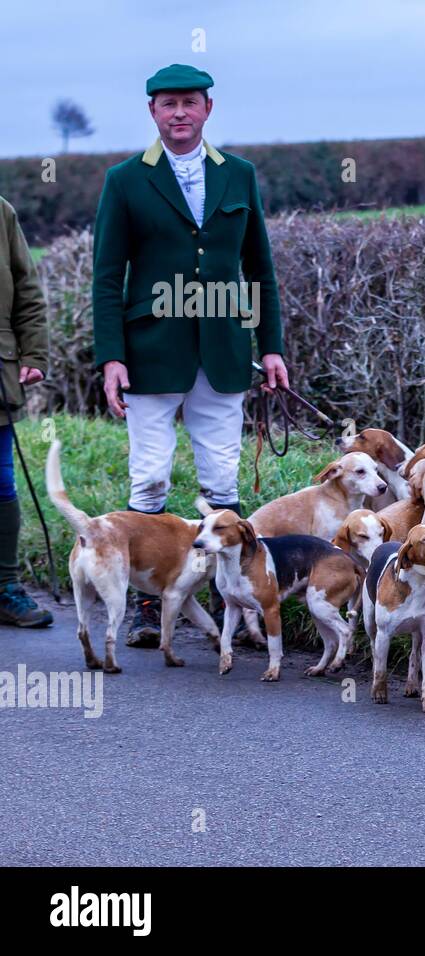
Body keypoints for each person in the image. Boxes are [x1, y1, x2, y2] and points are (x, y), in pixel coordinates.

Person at [91, 64, 289, 647]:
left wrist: (271, 346)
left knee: (220, 479)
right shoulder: (125, 180)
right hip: (150, 349)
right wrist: (111, 357)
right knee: (149, 478)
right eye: (167, 104)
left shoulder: (240, 175)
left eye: (190, 103)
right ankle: (150, 605)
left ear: (208, 109)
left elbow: (262, 270)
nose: (179, 113)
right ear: (153, 112)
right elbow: (107, 277)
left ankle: (235, 602)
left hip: (223, 349)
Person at [0, 196, 53, 628]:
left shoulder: (1, 212)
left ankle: (4, 588)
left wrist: (32, 351)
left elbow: (27, 289)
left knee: (0, 482)